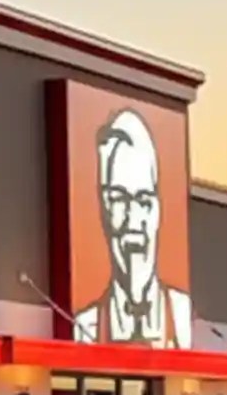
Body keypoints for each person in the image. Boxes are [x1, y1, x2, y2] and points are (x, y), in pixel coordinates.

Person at [73, 108, 192, 348]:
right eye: (119, 199)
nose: (133, 221)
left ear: (158, 210)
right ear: (103, 210)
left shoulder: (184, 317)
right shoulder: (83, 330)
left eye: (143, 201)